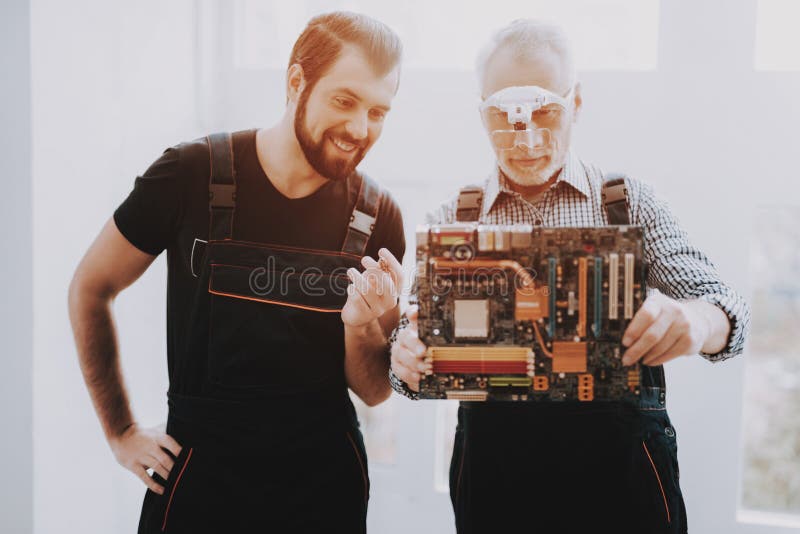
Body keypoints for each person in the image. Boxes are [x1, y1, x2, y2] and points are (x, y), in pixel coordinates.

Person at [388, 19, 750, 534]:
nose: (527, 140)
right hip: (497, 485)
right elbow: (410, 347)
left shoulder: (628, 206)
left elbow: (726, 306)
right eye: (506, 118)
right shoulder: (454, 222)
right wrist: (404, 357)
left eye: (546, 113)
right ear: (482, 114)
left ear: (575, 103)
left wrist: (697, 322)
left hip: (623, 488)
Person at [68, 12, 405, 533]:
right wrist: (121, 431)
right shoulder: (188, 174)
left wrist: (360, 325)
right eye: (344, 101)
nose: (360, 129)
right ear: (296, 81)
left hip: (322, 485)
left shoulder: (378, 215)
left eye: (377, 111)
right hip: (199, 481)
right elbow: (91, 287)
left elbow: (375, 389)